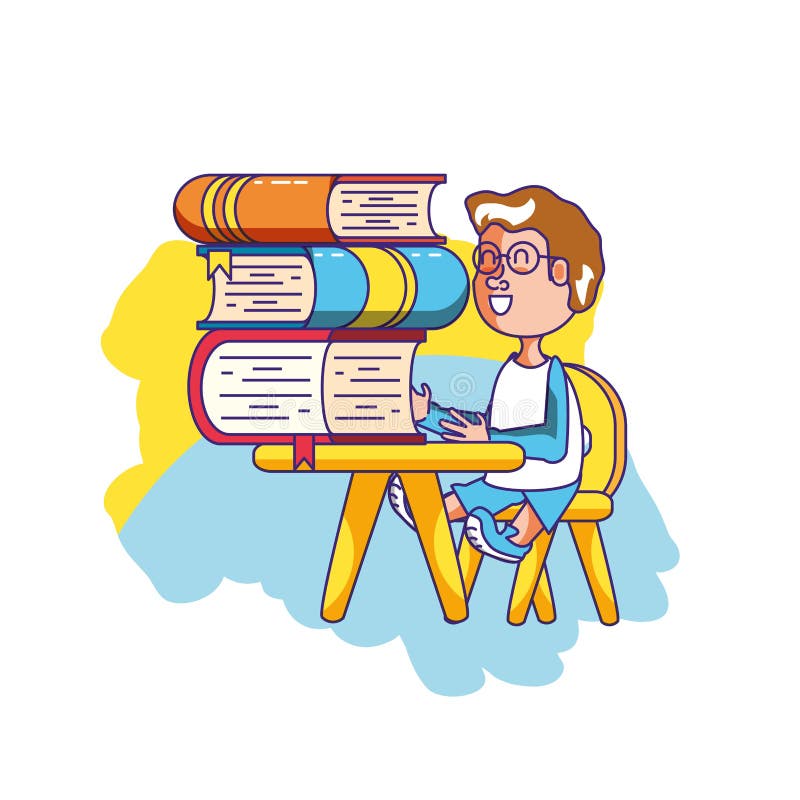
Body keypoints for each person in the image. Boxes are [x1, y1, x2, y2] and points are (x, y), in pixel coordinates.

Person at [388, 185, 604, 562]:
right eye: (488, 259)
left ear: (562, 275)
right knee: (478, 493)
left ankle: (515, 541)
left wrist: (488, 436)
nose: (498, 276)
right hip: (508, 473)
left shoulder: (552, 376)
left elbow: (552, 443)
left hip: (553, 480)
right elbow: (489, 424)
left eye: (520, 258)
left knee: (535, 502)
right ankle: (430, 512)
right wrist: (430, 415)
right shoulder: (510, 370)